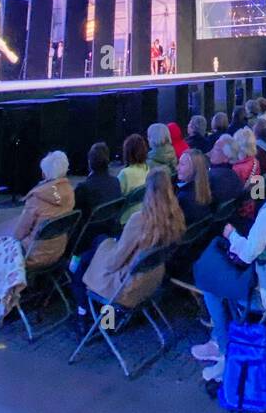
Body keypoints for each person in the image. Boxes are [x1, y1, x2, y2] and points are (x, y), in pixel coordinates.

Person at [191, 156, 266, 380]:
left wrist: (231, 234)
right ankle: (221, 340)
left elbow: (248, 254)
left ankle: (224, 350)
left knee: (210, 288)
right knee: (224, 278)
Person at [0, 150, 75, 325]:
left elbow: (19, 234)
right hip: (57, 251)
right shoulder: (69, 192)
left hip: (33, 254)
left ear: (45, 172)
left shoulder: (37, 197)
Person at [76, 167, 185, 320]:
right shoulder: (176, 216)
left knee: (87, 262)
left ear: (148, 189)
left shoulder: (139, 220)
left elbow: (114, 263)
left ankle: (102, 322)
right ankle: (94, 316)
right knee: (97, 247)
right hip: (153, 278)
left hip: (127, 285)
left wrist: (104, 250)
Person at [74, 142, 121, 224]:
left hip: (90, 232)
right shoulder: (115, 182)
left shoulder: (83, 188)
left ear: (89, 162)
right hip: (111, 228)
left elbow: (75, 216)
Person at [176, 148, 213, 226]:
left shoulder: (183, 198)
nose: (177, 168)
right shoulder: (206, 187)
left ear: (194, 169)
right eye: (178, 163)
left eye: (182, 164)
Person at [117, 133, 150, 216]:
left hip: (127, 217)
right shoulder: (147, 169)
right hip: (144, 212)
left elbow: (115, 199)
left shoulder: (125, 174)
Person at [207, 134, 243, 207]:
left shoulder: (211, 177)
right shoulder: (233, 174)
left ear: (226, 158)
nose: (211, 152)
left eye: (216, 150)